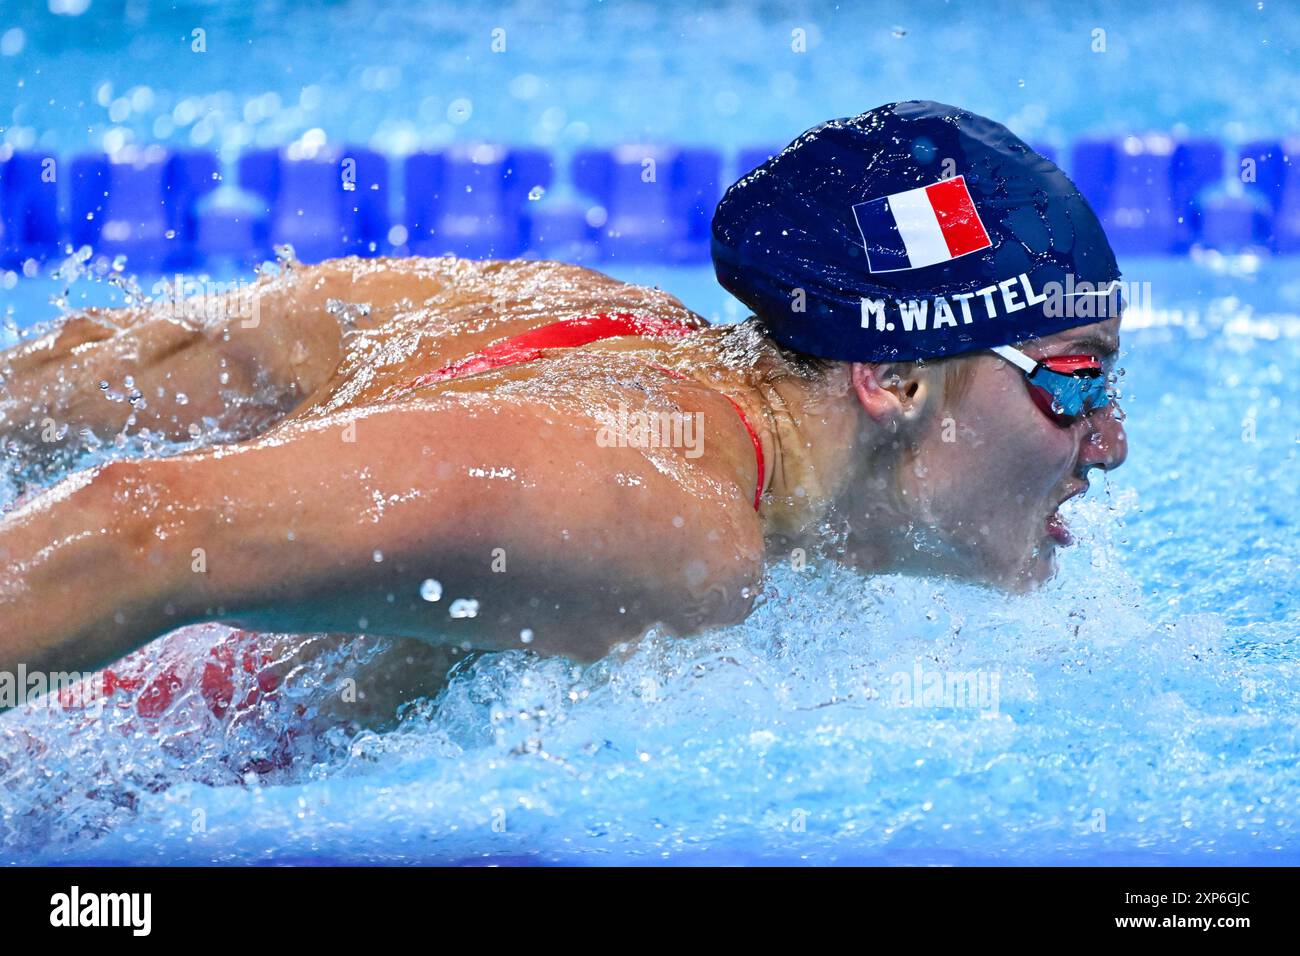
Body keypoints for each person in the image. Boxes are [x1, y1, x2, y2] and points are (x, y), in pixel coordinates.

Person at [0, 101, 1126, 723]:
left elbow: (142, 355)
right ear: (894, 377)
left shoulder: (578, 315)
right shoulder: (672, 528)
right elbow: (147, 525)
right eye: (1075, 380)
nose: (1107, 443)